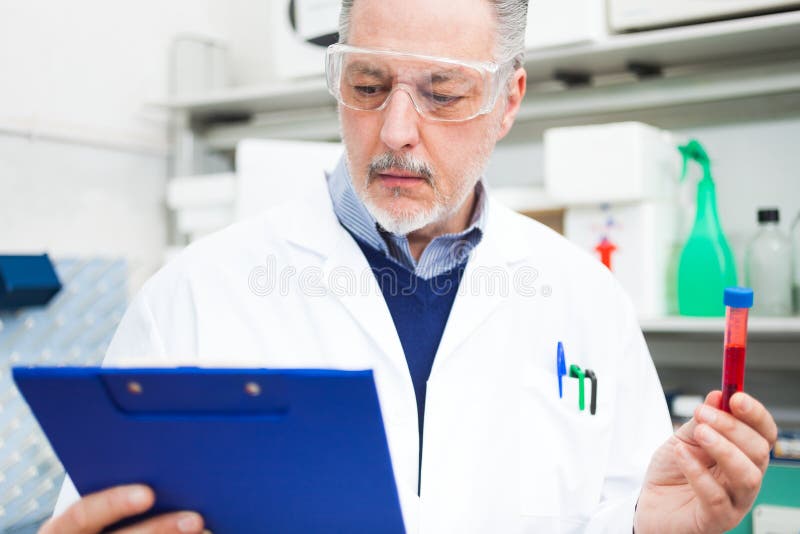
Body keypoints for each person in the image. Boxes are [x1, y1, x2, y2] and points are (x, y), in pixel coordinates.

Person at [42, 0, 777, 532]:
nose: (396, 130)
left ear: (506, 98)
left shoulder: (586, 300)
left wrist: (652, 529)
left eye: (442, 92)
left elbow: (626, 511)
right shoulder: (194, 298)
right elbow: (96, 512)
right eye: (367, 85)